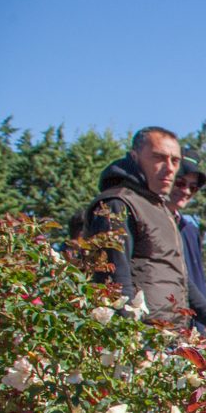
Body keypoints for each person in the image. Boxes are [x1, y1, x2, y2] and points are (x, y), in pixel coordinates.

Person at [80, 126, 189, 325]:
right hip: (141, 337)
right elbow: (114, 277)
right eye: (158, 157)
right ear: (135, 156)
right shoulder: (118, 203)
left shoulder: (160, 209)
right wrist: (130, 335)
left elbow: (174, 272)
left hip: (170, 333)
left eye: (175, 160)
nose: (170, 168)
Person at [168, 158, 206, 329]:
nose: (186, 191)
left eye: (193, 187)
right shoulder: (151, 223)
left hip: (192, 325)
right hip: (164, 322)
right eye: (181, 183)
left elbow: (196, 282)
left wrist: (203, 326)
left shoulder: (190, 230)